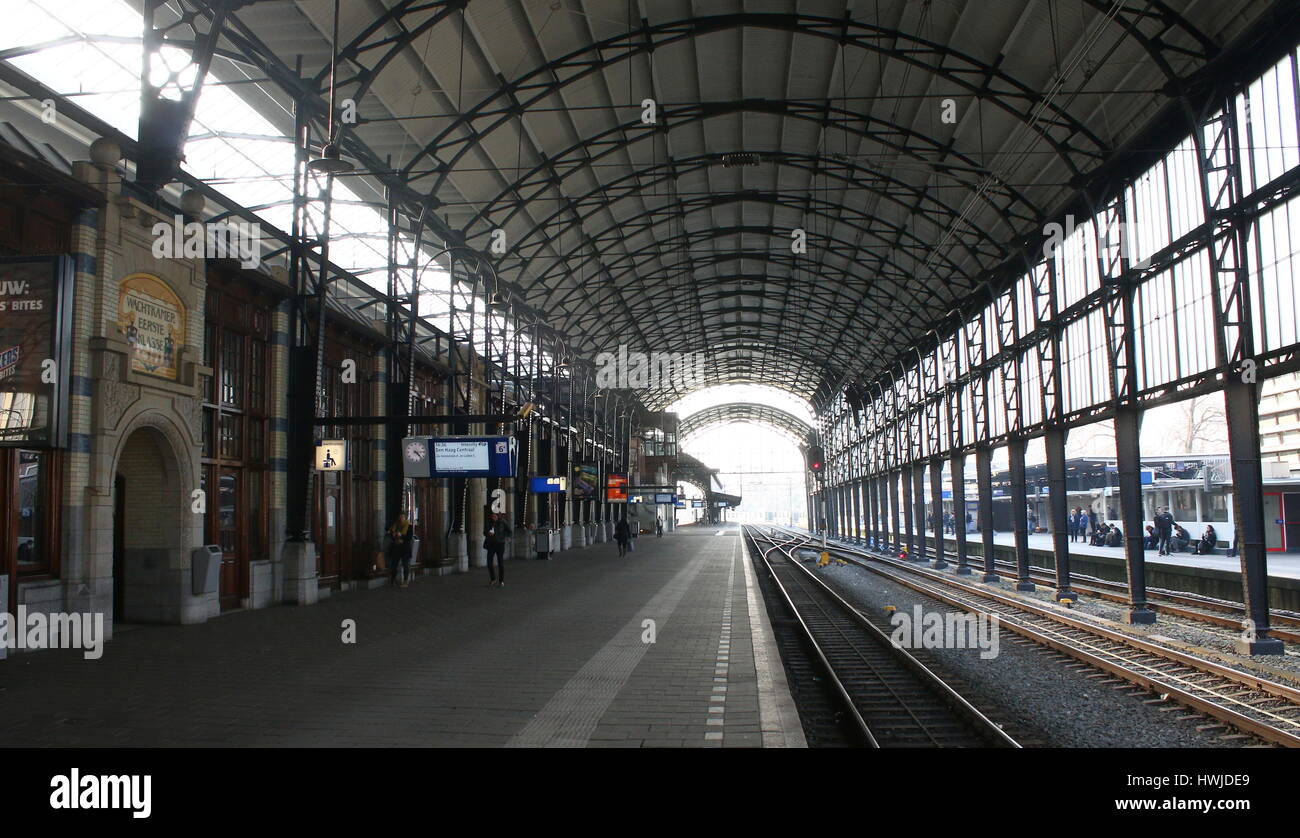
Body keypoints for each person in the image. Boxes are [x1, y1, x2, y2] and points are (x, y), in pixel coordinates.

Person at [483, 512, 512, 587]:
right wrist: (488, 533)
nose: (493, 517)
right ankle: (493, 579)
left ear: (498, 516)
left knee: (500, 563)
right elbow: (484, 532)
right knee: (489, 563)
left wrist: (503, 537)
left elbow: (509, 531)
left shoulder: (502, 522)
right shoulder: (489, 522)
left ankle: (501, 580)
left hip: (500, 544)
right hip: (491, 544)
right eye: (492, 516)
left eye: (495, 516)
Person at [387, 512, 414, 587]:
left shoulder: (409, 526)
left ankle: (405, 581)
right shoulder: (396, 525)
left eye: (403, 517)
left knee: (406, 565)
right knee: (394, 565)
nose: (401, 518)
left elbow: (409, 537)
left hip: (405, 548)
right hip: (396, 548)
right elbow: (391, 534)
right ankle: (393, 581)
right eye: (400, 517)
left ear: (405, 518)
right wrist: (393, 534)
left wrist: (401, 536)